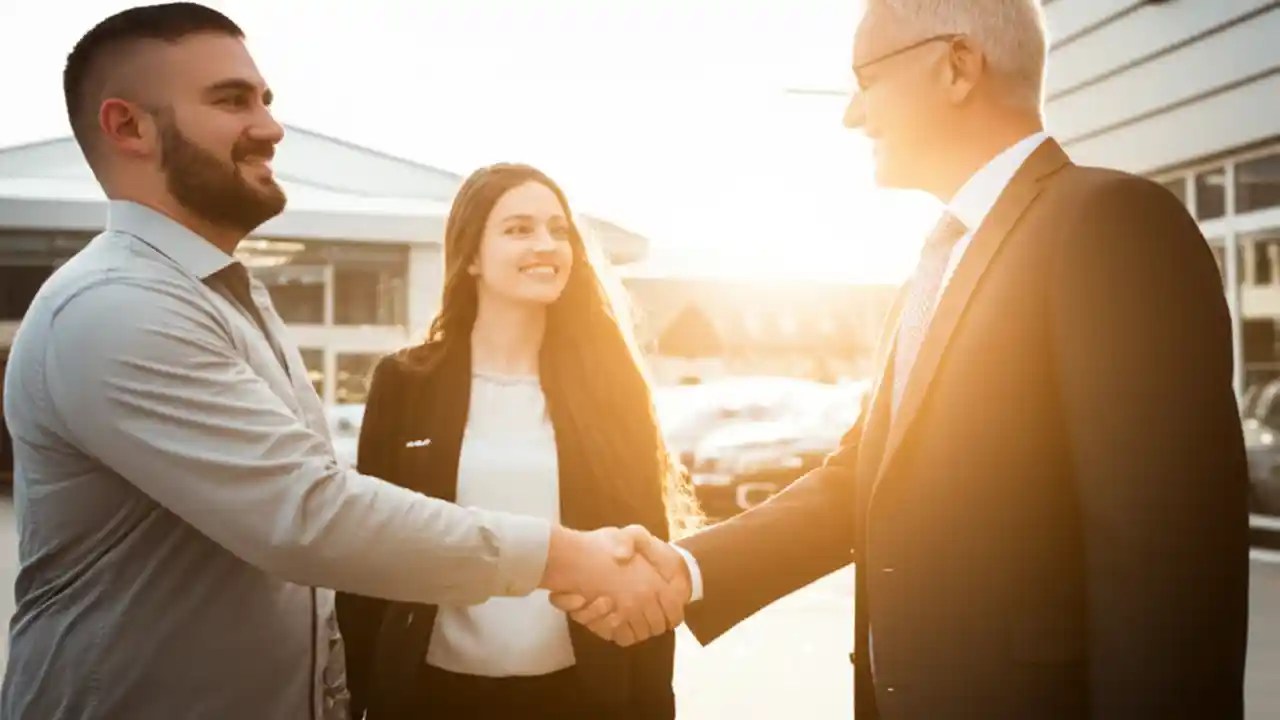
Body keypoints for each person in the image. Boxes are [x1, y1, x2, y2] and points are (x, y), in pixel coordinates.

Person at [556, 1, 1251, 718]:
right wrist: (690, 569)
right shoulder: (936, 260)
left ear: (956, 67)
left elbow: (1170, 571)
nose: (853, 115)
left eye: (867, 78)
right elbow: (864, 477)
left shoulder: (1111, 224)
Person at [0, 5, 680, 719]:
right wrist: (567, 557)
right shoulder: (119, 308)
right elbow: (310, 516)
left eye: (264, 100)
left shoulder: (228, 299)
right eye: (232, 100)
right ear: (128, 127)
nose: (269, 127)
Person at [336, 163, 700, 719]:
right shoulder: (404, 382)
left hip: (579, 696)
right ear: (473, 256)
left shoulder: (611, 387)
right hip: (429, 696)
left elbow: (642, 566)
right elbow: (369, 553)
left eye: (559, 230)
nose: (546, 244)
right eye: (519, 228)